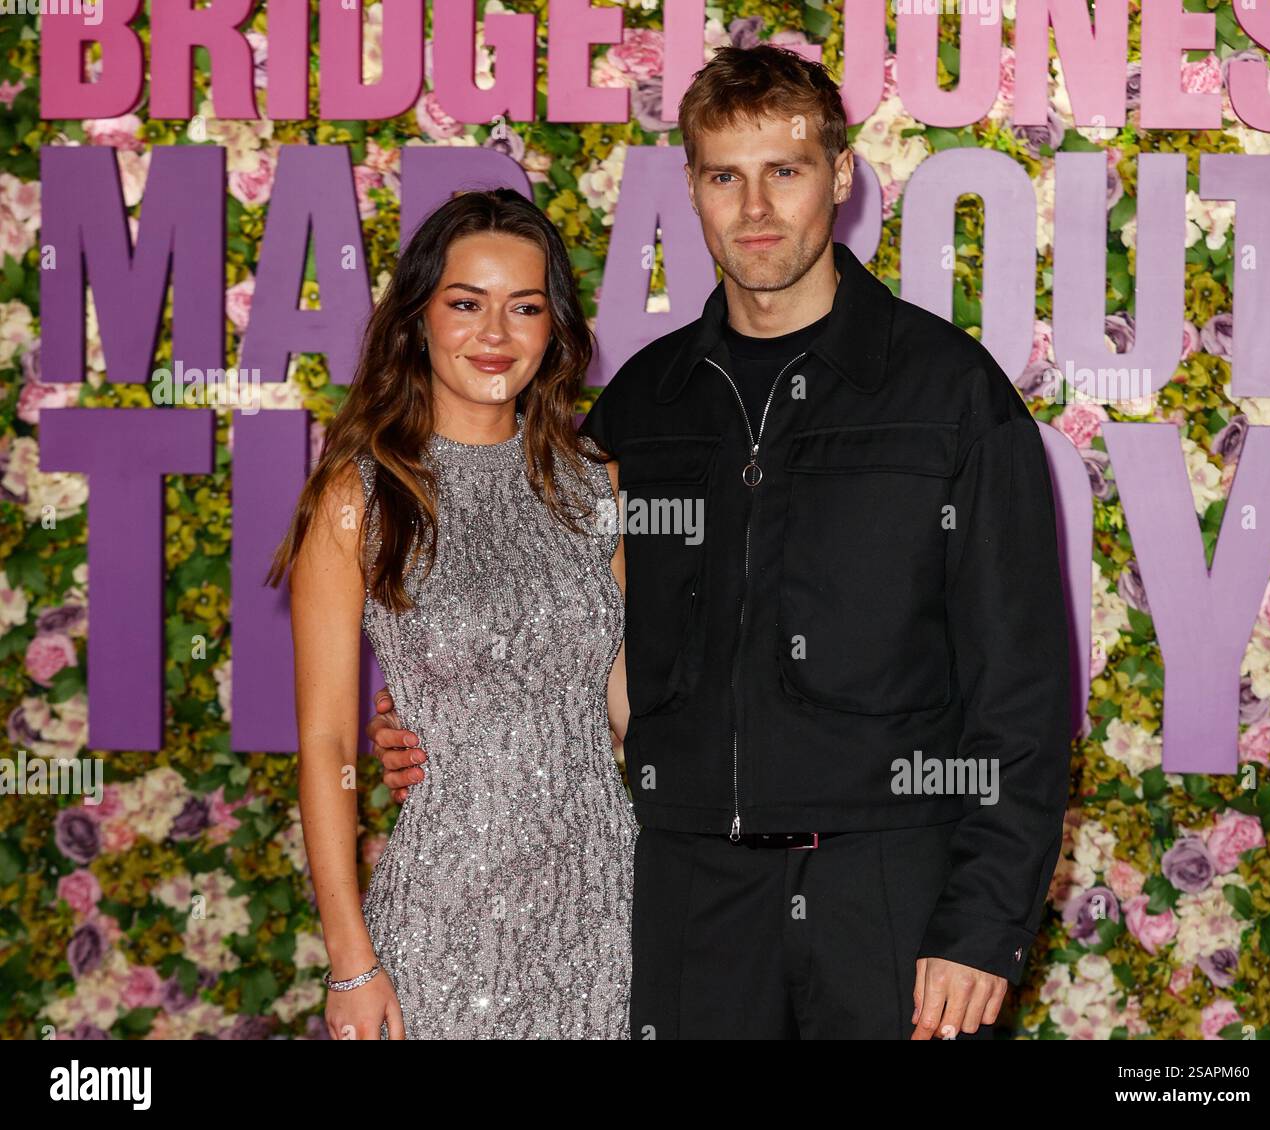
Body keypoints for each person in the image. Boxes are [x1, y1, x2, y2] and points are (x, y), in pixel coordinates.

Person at [370, 45, 1073, 1040]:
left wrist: (982, 925)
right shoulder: (641, 410)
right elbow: (553, 624)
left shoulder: (948, 395)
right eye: (723, 175)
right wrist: (440, 722)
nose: (755, 206)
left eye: (783, 170)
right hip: (689, 897)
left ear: (839, 176)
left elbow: (1022, 691)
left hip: (890, 891)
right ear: (691, 189)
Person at [268, 188, 637, 1039]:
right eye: (466, 304)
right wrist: (350, 960)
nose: (496, 334)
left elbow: (627, 704)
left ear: (555, 329)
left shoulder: (596, 487)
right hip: (442, 917)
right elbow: (325, 743)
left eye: (526, 307)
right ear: (418, 319)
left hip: (607, 909)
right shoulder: (359, 497)